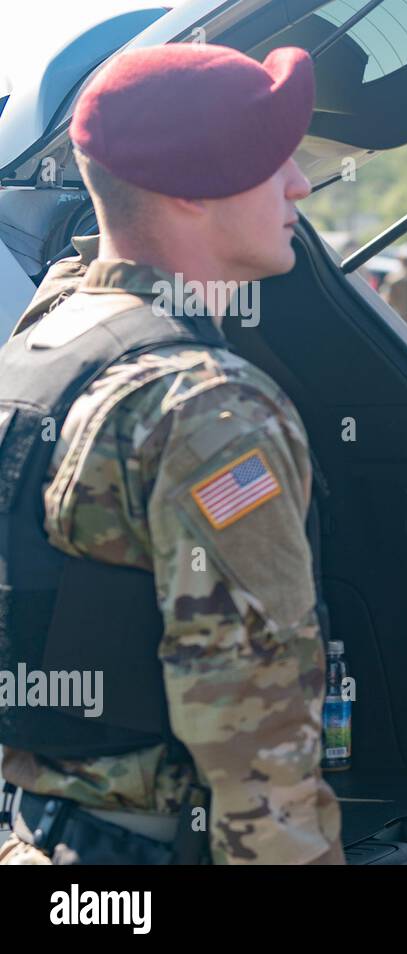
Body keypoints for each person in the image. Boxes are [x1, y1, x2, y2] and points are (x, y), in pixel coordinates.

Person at [0, 43, 342, 865]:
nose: (299, 183)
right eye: (272, 160)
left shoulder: (41, 345)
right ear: (191, 192)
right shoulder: (208, 407)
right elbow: (254, 735)